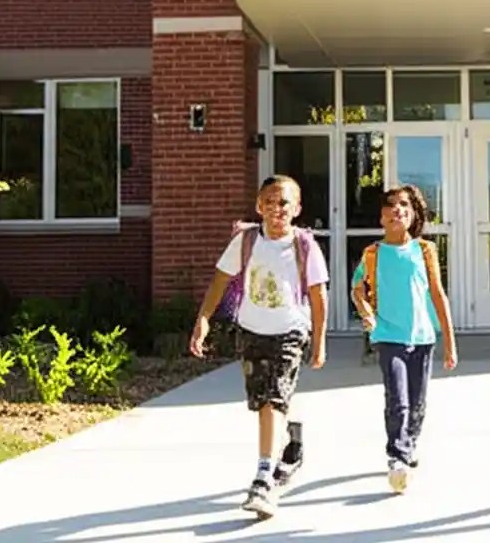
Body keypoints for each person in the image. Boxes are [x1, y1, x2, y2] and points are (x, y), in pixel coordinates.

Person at [189, 175, 329, 520]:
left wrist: (319, 341)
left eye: (284, 203)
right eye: (269, 202)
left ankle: (263, 480)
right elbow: (220, 280)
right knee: (263, 400)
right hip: (251, 331)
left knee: (271, 400)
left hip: (290, 331)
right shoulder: (247, 240)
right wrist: (203, 319)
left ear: (297, 208)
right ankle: (291, 438)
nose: (276, 209)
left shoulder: (305, 245)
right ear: (258, 206)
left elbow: (318, 295)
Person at [351, 184, 458, 494]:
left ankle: (409, 444)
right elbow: (358, 289)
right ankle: (397, 455)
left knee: (417, 401)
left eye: (404, 205)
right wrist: (367, 313)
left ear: (413, 215)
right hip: (388, 335)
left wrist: (450, 342)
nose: (396, 210)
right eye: (390, 205)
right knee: (397, 398)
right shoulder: (373, 254)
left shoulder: (425, 251)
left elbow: (437, 294)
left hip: (422, 336)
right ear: (381, 217)